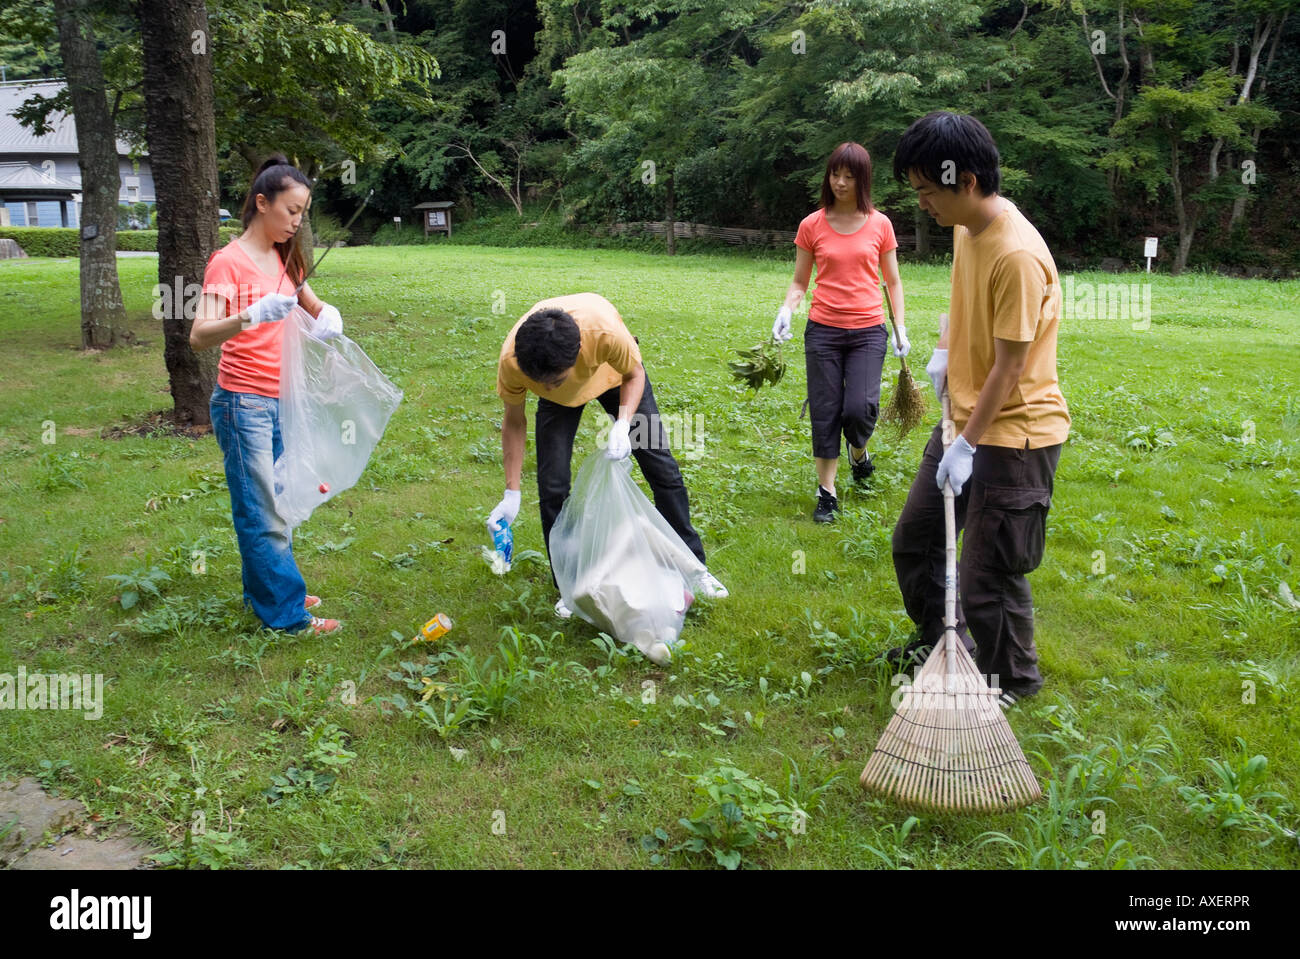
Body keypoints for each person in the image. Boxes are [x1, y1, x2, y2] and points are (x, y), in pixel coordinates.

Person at [887, 112, 1070, 708]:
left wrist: (968, 446)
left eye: (926, 191)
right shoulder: (968, 228)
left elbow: (1011, 367)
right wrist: (943, 350)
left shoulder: (1016, 254)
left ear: (964, 180)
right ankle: (944, 641)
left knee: (989, 573)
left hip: (1013, 436)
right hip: (961, 420)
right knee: (915, 541)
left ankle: (1011, 683)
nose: (922, 205)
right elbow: (962, 306)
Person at [487, 292, 728, 617]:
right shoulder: (513, 363)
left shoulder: (603, 332)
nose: (550, 388)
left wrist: (623, 424)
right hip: (558, 403)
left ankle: (695, 569)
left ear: (578, 355)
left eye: (556, 380)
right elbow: (514, 422)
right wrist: (511, 491)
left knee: (660, 466)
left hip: (617, 380)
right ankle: (570, 587)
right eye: (540, 384)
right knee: (553, 485)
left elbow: (634, 374)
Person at [190, 154, 346, 635]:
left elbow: (309, 303)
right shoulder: (228, 262)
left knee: (278, 500)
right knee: (262, 512)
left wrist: (325, 317)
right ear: (262, 203)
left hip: (282, 400)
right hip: (245, 405)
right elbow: (198, 335)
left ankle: (269, 588)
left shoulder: (283, 256)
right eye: (291, 211)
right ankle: (286, 615)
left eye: (303, 213)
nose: (297, 222)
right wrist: (251, 315)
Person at [773, 142, 909, 523]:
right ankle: (827, 493)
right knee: (826, 410)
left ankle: (858, 453)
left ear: (863, 179)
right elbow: (801, 280)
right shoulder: (811, 225)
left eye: (850, 176)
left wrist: (900, 325)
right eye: (835, 173)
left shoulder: (880, 224)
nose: (841, 182)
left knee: (859, 409)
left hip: (868, 331)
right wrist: (787, 308)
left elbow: (893, 282)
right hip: (823, 332)